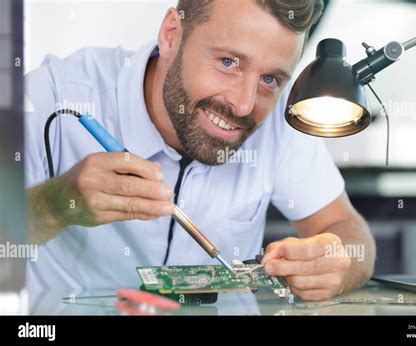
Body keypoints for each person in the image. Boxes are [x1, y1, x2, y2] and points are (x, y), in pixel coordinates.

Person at [25, 0, 375, 301]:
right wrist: (57, 203)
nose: (243, 105)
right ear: (171, 35)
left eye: (270, 79)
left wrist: (336, 263)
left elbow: (346, 226)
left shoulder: (283, 122)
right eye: (228, 63)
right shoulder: (57, 93)